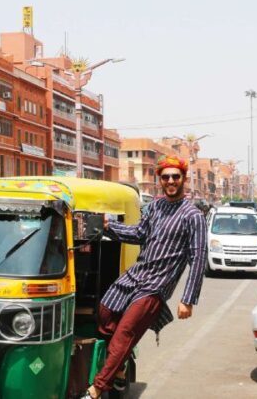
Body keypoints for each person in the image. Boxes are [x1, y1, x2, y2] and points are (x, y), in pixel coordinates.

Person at [81, 155, 208, 399]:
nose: (171, 181)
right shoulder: (155, 207)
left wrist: (188, 299)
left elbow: (199, 258)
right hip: (136, 274)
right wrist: (108, 226)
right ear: (160, 179)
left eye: (175, 177)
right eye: (166, 177)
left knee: (124, 333)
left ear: (183, 179)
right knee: (105, 312)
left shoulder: (193, 216)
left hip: (156, 285)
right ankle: (121, 367)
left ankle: (97, 388)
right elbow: (139, 233)